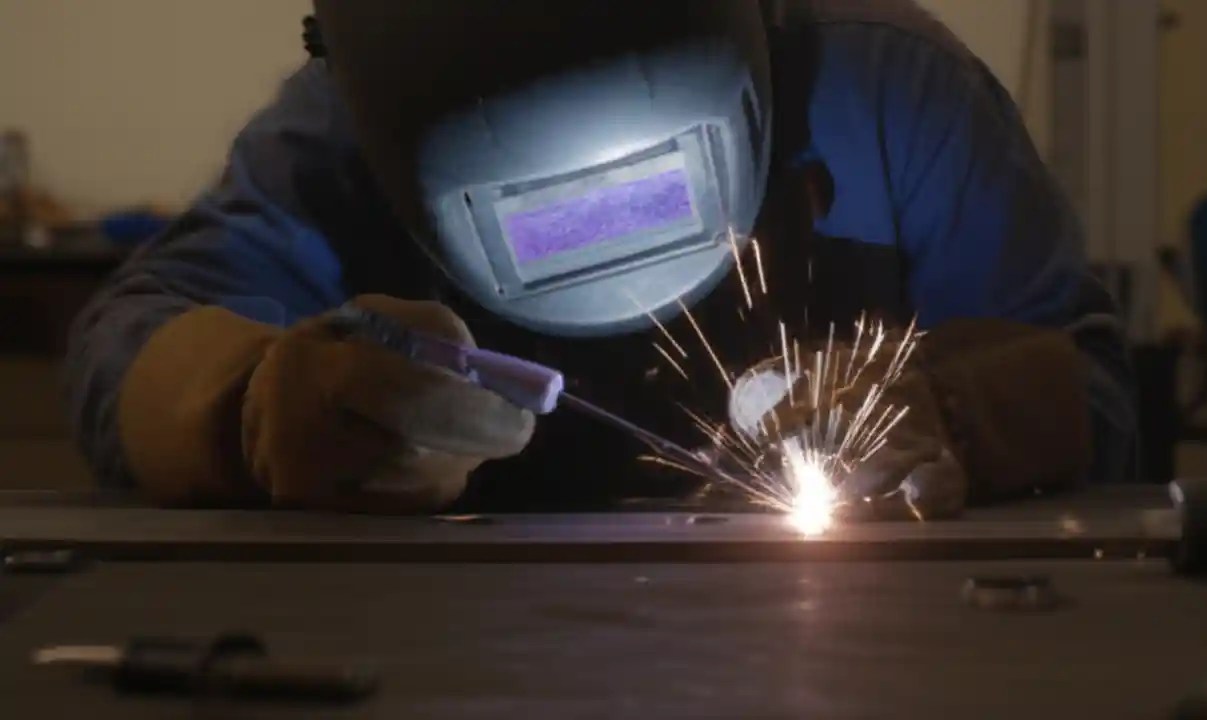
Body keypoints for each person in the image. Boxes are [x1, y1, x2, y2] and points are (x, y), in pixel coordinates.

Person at [65, 0, 1136, 518]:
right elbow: (131, 337)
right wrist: (251, 404)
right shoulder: (341, 132)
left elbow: (1097, 387)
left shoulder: (892, 93)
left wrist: (956, 412)